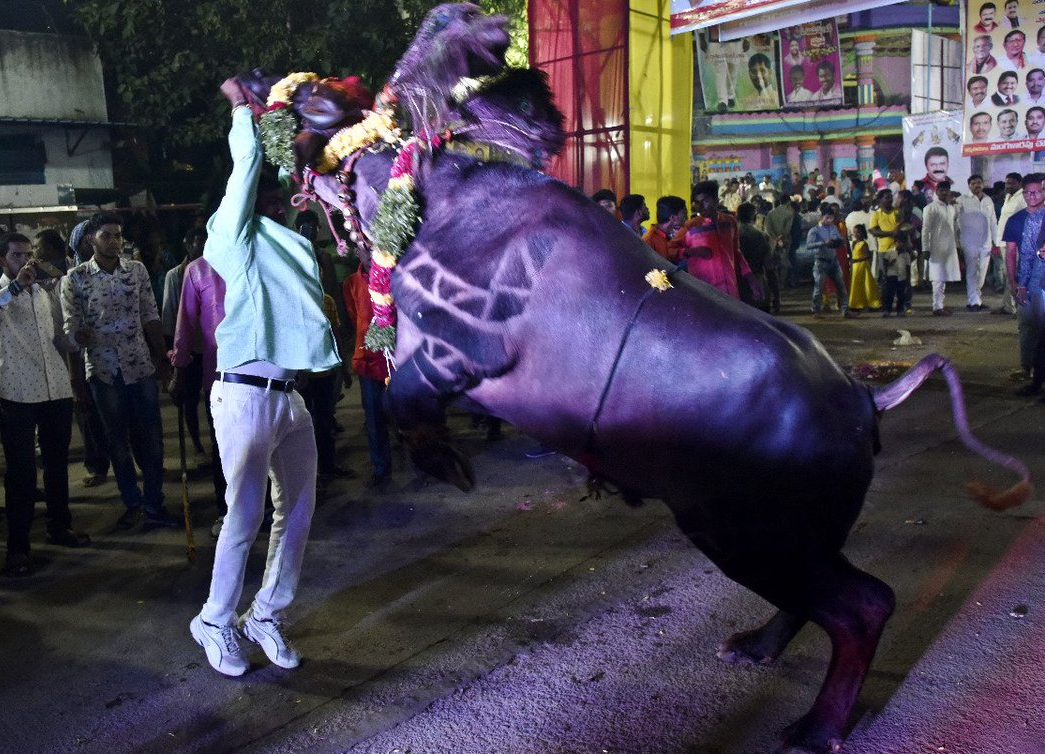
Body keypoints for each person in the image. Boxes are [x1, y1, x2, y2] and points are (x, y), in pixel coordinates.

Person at [189, 78, 344, 677]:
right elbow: (250, 161)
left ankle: (266, 615)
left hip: (289, 400)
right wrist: (240, 107)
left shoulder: (293, 244)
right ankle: (214, 621)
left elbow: (290, 175)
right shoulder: (230, 235)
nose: (279, 195)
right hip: (245, 396)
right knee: (244, 516)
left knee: (299, 513)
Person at [61, 212, 179, 531]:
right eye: (107, 236)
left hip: (139, 365)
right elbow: (71, 329)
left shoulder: (136, 271)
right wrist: (77, 376)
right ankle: (133, 502)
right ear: (91, 240)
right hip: (103, 370)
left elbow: (150, 315)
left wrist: (163, 359)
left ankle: (154, 502)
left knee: (152, 439)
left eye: (118, 236)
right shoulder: (75, 279)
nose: (114, 242)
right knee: (117, 441)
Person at [0, 232, 89, 577]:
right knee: (21, 473)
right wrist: (17, 287)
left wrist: (75, 340)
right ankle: (18, 548)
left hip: (54, 389)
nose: (25, 262)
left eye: (27, 255)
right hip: (17, 393)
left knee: (57, 464)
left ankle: (59, 526)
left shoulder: (42, 293)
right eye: (17, 256)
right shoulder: (8, 293)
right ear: (3, 260)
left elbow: (57, 339)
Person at [169, 244, 229, 538]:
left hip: (262, 371)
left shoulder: (261, 256)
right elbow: (185, 325)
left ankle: (266, 510)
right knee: (223, 449)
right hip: (219, 376)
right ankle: (226, 511)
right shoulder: (199, 270)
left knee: (264, 445)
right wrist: (179, 370)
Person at [342, 260, 393, 489]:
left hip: (395, 359)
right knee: (374, 418)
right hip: (368, 361)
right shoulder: (352, 283)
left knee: (406, 414)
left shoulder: (393, 277)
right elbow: (354, 318)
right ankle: (381, 467)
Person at [162, 227, 209, 466]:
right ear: (187, 244)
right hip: (188, 349)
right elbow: (171, 315)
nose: (201, 248)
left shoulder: (214, 269)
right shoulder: (176, 275)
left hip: (210, 347)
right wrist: (174, 354)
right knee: (190, 400)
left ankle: (216, 442)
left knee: (213, 399)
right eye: (197, 244)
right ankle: (198, 445)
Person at [677, 180, 761, 302]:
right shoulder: (690, 227)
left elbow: (736, 253)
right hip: (704, 294)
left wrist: (750, 278)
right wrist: (689, 252)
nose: (700, 206)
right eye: (697, 202)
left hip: (731, 292)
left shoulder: (730, 222)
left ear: (716, 201)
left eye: (705, 201)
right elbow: (671, 251)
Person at [1004, 174, 1045, 395]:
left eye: (1037, 191)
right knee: (1032, 329)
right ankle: (1031, 373)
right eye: (1028, 192)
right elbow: (1013, 254)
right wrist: (1014, 282)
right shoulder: (1017, 220)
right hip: (1029, 285)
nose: (1032, 196)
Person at [956, 174, 999, 311]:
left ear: (982, 184)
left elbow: (993, 222)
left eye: (979, 182)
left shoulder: (988, 200)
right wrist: (958, 243)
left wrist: (996, 241)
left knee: (982, 272)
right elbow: (955, 222)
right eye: (973, 183)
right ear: (969, 185)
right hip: (970, 242)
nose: (976, 185)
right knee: (972, 272)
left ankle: (977, 298)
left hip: (986, 242)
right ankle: (973, 301)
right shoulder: (961, 200)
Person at [922, 181, 961, 315]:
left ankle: (940, 305)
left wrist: (957, 245)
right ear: (936, 191)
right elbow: (925, 230)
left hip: (949, 247)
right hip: (935, 247)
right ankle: (937, 307)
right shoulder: (930, 208)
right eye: (942, 190)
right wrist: (925, 248)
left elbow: (954, 228)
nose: (944, 193)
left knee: (943, 278)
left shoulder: (951, 208)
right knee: (937, 278)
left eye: (946, 190)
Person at [807, 206, 850, 316]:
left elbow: (839, 239)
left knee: (841, 287)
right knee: (819, 288)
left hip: (833, 261)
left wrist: (838, 242)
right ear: (822, 217)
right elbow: (808, 245)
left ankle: (845, 310)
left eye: (831, 218)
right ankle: (816, 310)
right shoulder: (814, 230)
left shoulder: (833, 228)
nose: (830, 220)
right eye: (827, 217)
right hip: (821, 262)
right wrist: (823, 243)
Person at [995, 171, 1027, 315]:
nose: (1008, 186)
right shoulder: (1008, 197)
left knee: (1014, 275)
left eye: (1011, 183)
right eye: (1007, 183)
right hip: (1004, 241)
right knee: (1009, 275)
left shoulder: (1023, 197)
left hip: (1015, 242)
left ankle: (1017, 308)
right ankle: (1008, 305)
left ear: (1019, 184)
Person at [736, 202, 773, 312]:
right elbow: (769, 266)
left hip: (737, 285)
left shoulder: (731, 234)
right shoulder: (761, 235)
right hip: (758, 282)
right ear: (754, 216)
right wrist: (775, 293)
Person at [765, 195, 798, 290]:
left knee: (773, 263)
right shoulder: (789, 213)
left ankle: (773, 283)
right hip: (785, 241)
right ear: (788, 202)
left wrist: (774, 238)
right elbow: (787, 230)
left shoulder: (771, 213)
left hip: (772, 241)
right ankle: (781, 283)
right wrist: (780, 238)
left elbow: (767, 228)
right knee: (784, 262)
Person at [847, 224, 881, 312]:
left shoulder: (863, 243)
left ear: (862, 233)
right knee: (856, 284)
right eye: (854, 232)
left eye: (858, 232)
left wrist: (856, 260)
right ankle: (856, 303)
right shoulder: (854, 243)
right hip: (855, 267)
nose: (856, 234)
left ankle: (869, 302)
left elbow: (867, 255)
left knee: (865, 284)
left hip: (862, 265)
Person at [643, 195, 687, 263]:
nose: (686, 218)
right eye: (684, 213)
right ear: (672, 217)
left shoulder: (674, 235)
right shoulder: (649, 240)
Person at [880, 235, 913, 318]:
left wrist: (908, 281)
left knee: (901, 295)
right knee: (889, 294)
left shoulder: (906, 255)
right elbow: (884, 263)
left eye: (902, 243)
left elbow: (908, 268)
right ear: (895, 243)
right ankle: (887, 310)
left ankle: (900, 310)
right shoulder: (890, 252)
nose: (900, 244)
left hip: (902, 277)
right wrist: (890, 263)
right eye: (898, 242)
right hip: (892, 276)